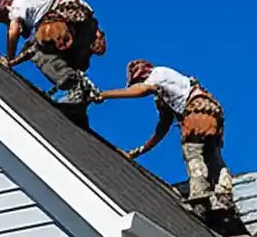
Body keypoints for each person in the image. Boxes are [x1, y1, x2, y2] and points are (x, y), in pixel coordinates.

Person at [97, 60, 234, 218]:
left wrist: (104, 94)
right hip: (212, 112)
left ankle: (200, 197)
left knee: (192, 151)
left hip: (197, 109)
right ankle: (224, 194)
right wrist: (137, 152)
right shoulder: (166, 92)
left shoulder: (158, 74)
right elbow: (162, 129)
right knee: (211, 153)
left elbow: (143, 90)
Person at [0, 0, 106, 126]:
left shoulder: (16, 6)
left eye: (6, 20)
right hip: (85, 27)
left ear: (7, 8)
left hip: (69, 20)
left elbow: (14, 32)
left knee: (40, 50)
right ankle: (78, 109)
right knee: (67, 64)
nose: (8, 23)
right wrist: (13, 62)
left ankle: (76, 89)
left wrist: (8, 59)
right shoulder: (37, 5)